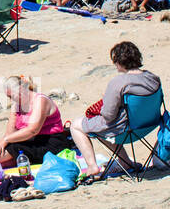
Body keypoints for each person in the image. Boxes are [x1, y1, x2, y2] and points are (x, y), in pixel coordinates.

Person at [68, 41, 161, 180]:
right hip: (149, 124)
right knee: (104, 125)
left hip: (126, 129)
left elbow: (108, 116)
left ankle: (92, 166)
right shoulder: (153, 78)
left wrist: (104, 103)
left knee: (76, 125)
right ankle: (125, 162)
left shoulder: (119, 82)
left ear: (119, 61)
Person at [0, 76, 73, 167]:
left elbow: (33, 130)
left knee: (14, 148)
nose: (11, 100)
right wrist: (14, 112)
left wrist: (6, 140)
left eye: (11, 96)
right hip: (32, 140)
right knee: (9, 150)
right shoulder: (18, 105)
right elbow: (10, 133)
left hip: (51, 142)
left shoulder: (40, 101)